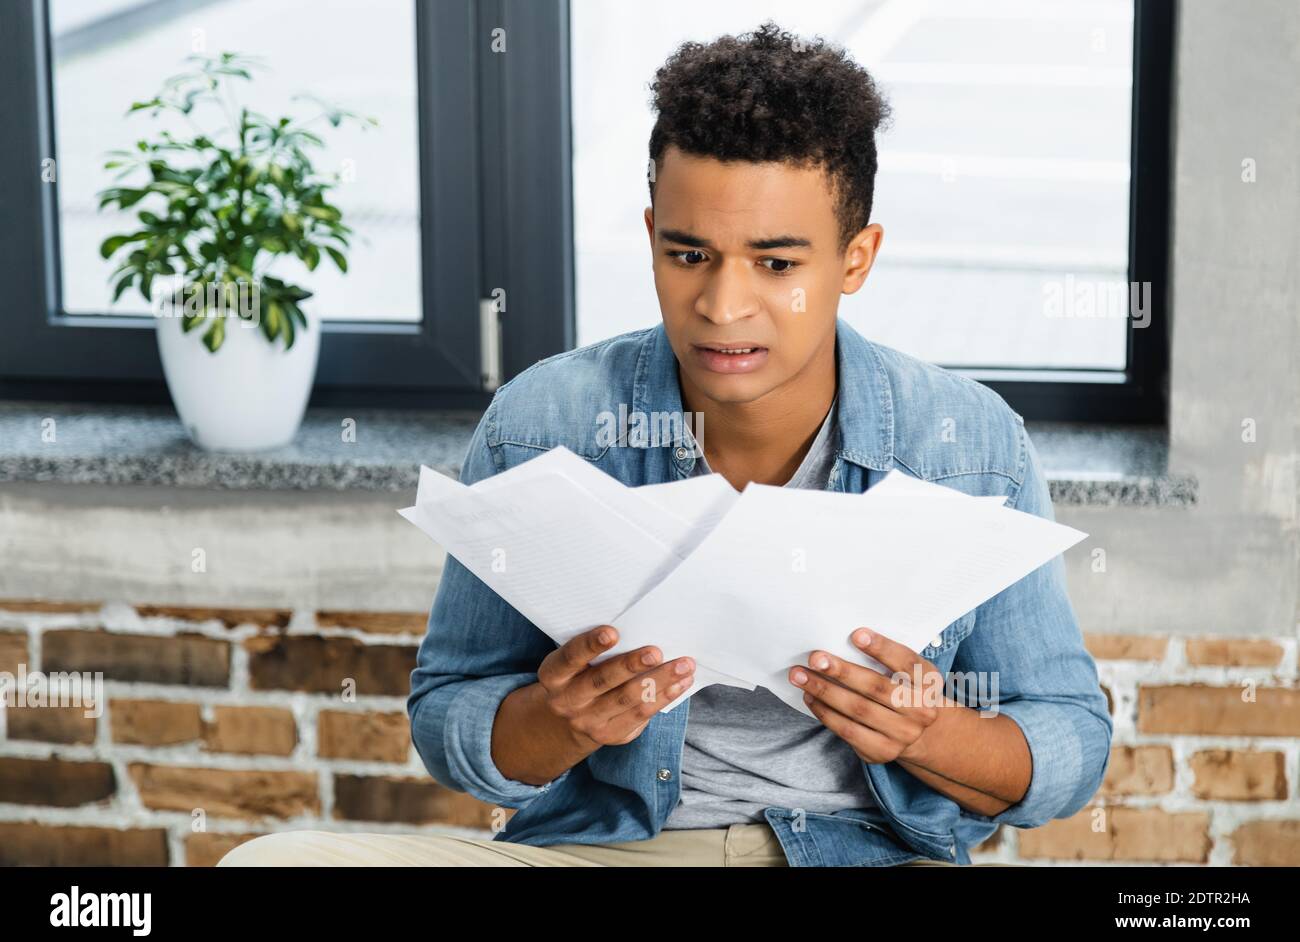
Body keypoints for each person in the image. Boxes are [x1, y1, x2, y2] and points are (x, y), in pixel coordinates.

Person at [220, 19, 1110, 869]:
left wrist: (931, 731)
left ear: (855, 259)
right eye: (689, 255)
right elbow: (450, 717)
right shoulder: (545, 424)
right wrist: (558, 719)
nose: (722, 306)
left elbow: (1069, 741)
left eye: (776, 264)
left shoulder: (967, 442)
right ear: (650, 237)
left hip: (862, 851)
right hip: (607, 851)